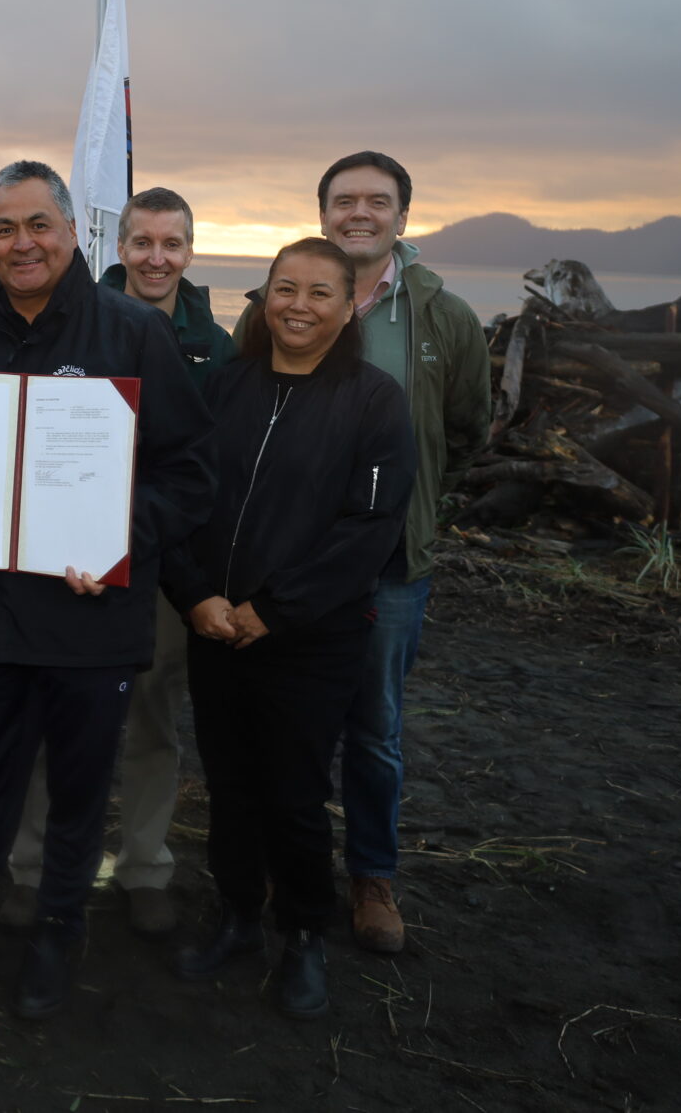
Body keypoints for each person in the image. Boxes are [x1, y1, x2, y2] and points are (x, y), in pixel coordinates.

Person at [0, 160, 213, 1021]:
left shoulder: (134, 333)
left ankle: (60, 929)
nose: (20, 243)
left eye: (37, 225)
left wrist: (115, 538)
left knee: (78, 781)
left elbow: (189, 472)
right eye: (3, 228)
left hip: (93, 611)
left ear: (71, 233)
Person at [237, 152, 492, 953]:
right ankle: (285, 859)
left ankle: (372, 876)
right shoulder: (271, 307)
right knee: (282, 721)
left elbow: (466, 429)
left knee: (375, 728)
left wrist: (408, 508)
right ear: (321, 213)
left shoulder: (443, 318)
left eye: (376, 202)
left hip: (388, 564)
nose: (359, 213)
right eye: (343, 200)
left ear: (403, 217)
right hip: (284, 564)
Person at [168, 237, 415, 1019]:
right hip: (214, 628)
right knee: (230, 786)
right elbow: (184, 499)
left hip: (309, 639)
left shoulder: (376, 401)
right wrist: (197, 596)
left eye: (318, 292)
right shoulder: (227, 386)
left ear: (349, 308)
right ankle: (239, 915)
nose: (298, 305)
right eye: (284, 288)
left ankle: (304, 932)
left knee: (295, 793)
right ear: (263, 298)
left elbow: (368, 528)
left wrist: (274, 609)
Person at [2, 186, 235, 936]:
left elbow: (206, 468)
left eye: (172, 244)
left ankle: (144, 865)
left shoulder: (219, 345)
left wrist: (190, 575)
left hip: (167, 562)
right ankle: (29, 864)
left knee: (152, 718)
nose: (156, 258)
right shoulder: (78, 320)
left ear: (191, 251)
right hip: (58, 558)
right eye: (142, 242)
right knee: (49, 717)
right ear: (116, 247)